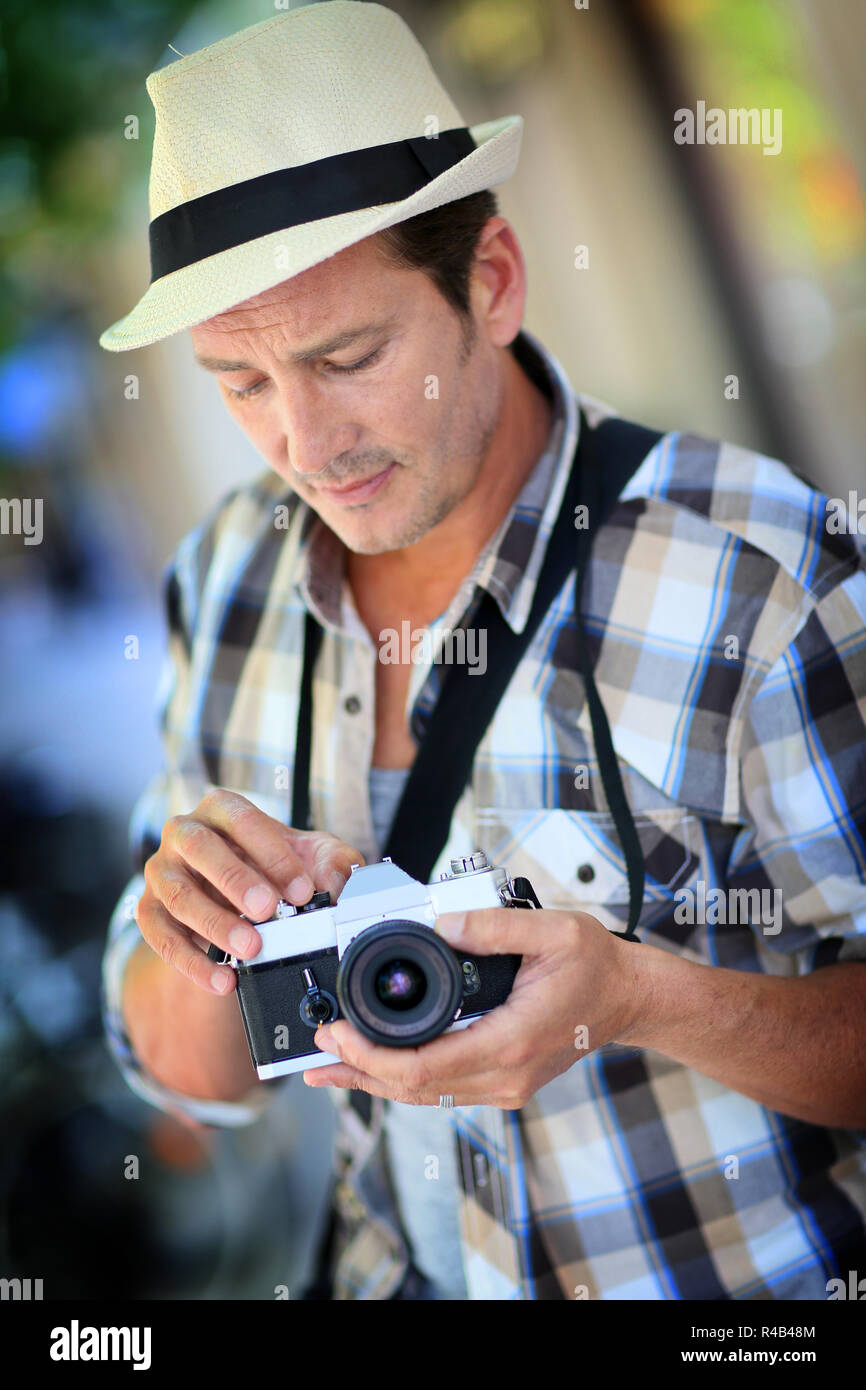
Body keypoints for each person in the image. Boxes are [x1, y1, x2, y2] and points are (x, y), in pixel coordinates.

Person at [99, 2, 866, 1300]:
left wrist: (629, 996)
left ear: (493, 280)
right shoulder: (223, 577)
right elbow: (190, 1073)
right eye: (238, 381)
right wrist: (188, 939)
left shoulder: (761, 572)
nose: (305, 442)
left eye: (350, 356)